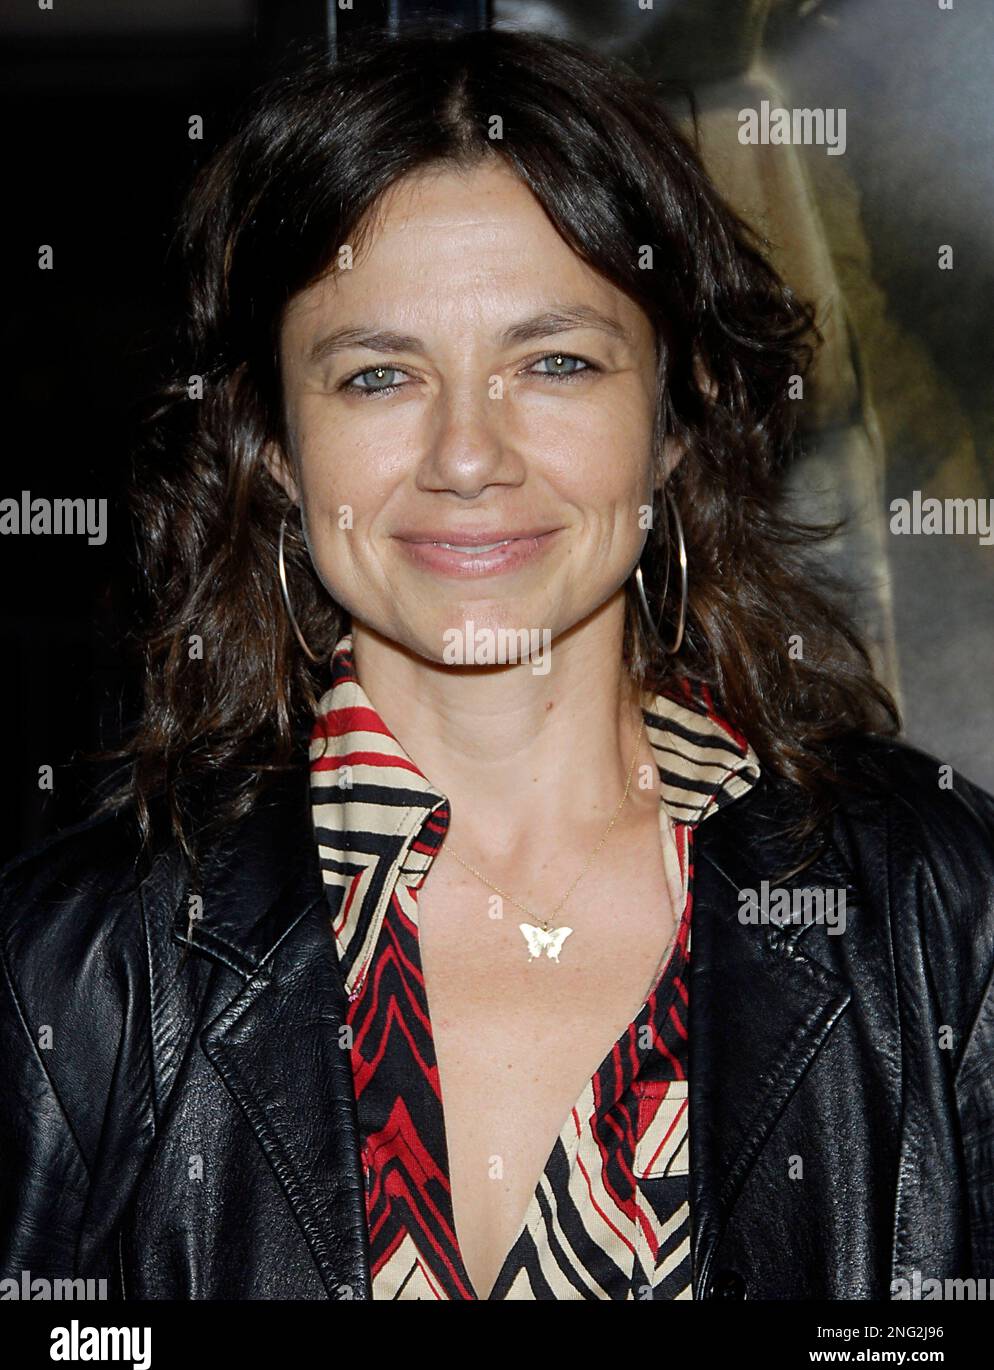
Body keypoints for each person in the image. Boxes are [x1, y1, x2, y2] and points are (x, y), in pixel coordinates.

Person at [2, 23, 994, 1304]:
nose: (467, 455)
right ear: (278, 451)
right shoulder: (76, 969)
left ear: (679, 414)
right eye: (376, 376)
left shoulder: (943, 911)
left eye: (556, 363)